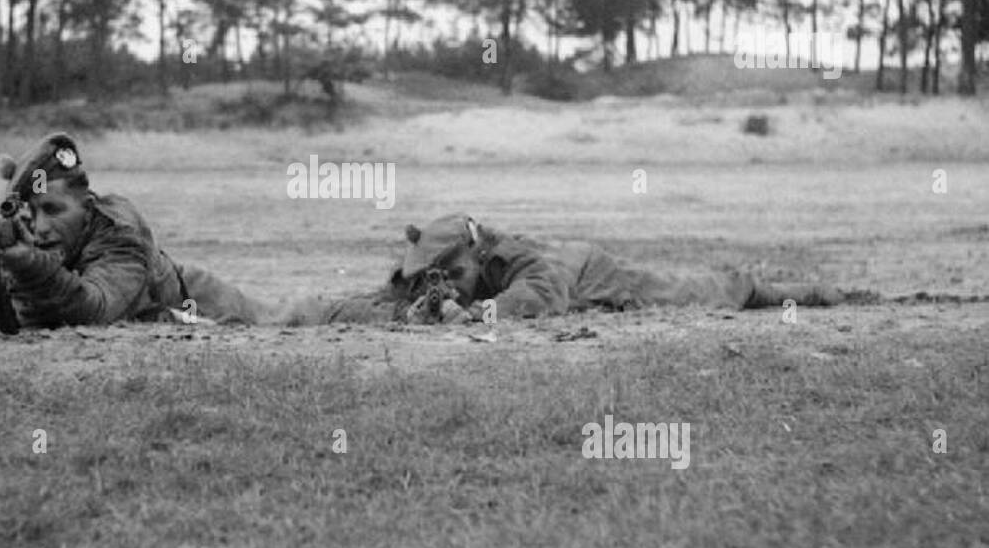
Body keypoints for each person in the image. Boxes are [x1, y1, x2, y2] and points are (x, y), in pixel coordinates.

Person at [284, 213, 842, 325]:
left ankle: (814, 293)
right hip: (564, 276)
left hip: (592, 275)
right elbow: (384, 300)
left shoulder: (521, 259)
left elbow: (543, 293)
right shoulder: (434, 266)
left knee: (708, 292)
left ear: (476, 255)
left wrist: (476, 313)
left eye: (450, 273)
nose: (441, 286)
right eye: (433, 276)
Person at [0, 131, 263, 331]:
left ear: (87, 205)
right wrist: (8, 274)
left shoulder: (120, 234)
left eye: (52, 209)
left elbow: (96, 311)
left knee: (282, 320)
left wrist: (31, 269)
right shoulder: (34, 241)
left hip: (199, 299)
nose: (40, 229)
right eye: (30, 215)